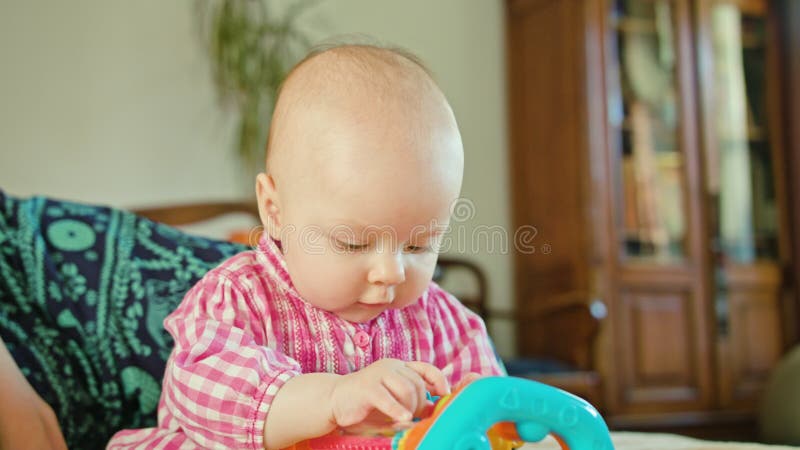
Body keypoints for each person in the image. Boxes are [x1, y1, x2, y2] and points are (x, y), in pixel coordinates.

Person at [108, 43, 504, 450]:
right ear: (275, 210)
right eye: (353, 242)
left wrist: (482, 416)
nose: (391, 272)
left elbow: (499, 420)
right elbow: (204, 395)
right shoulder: (237, 299)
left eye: (419, 245)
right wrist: (333, 399)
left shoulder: (445, 325)